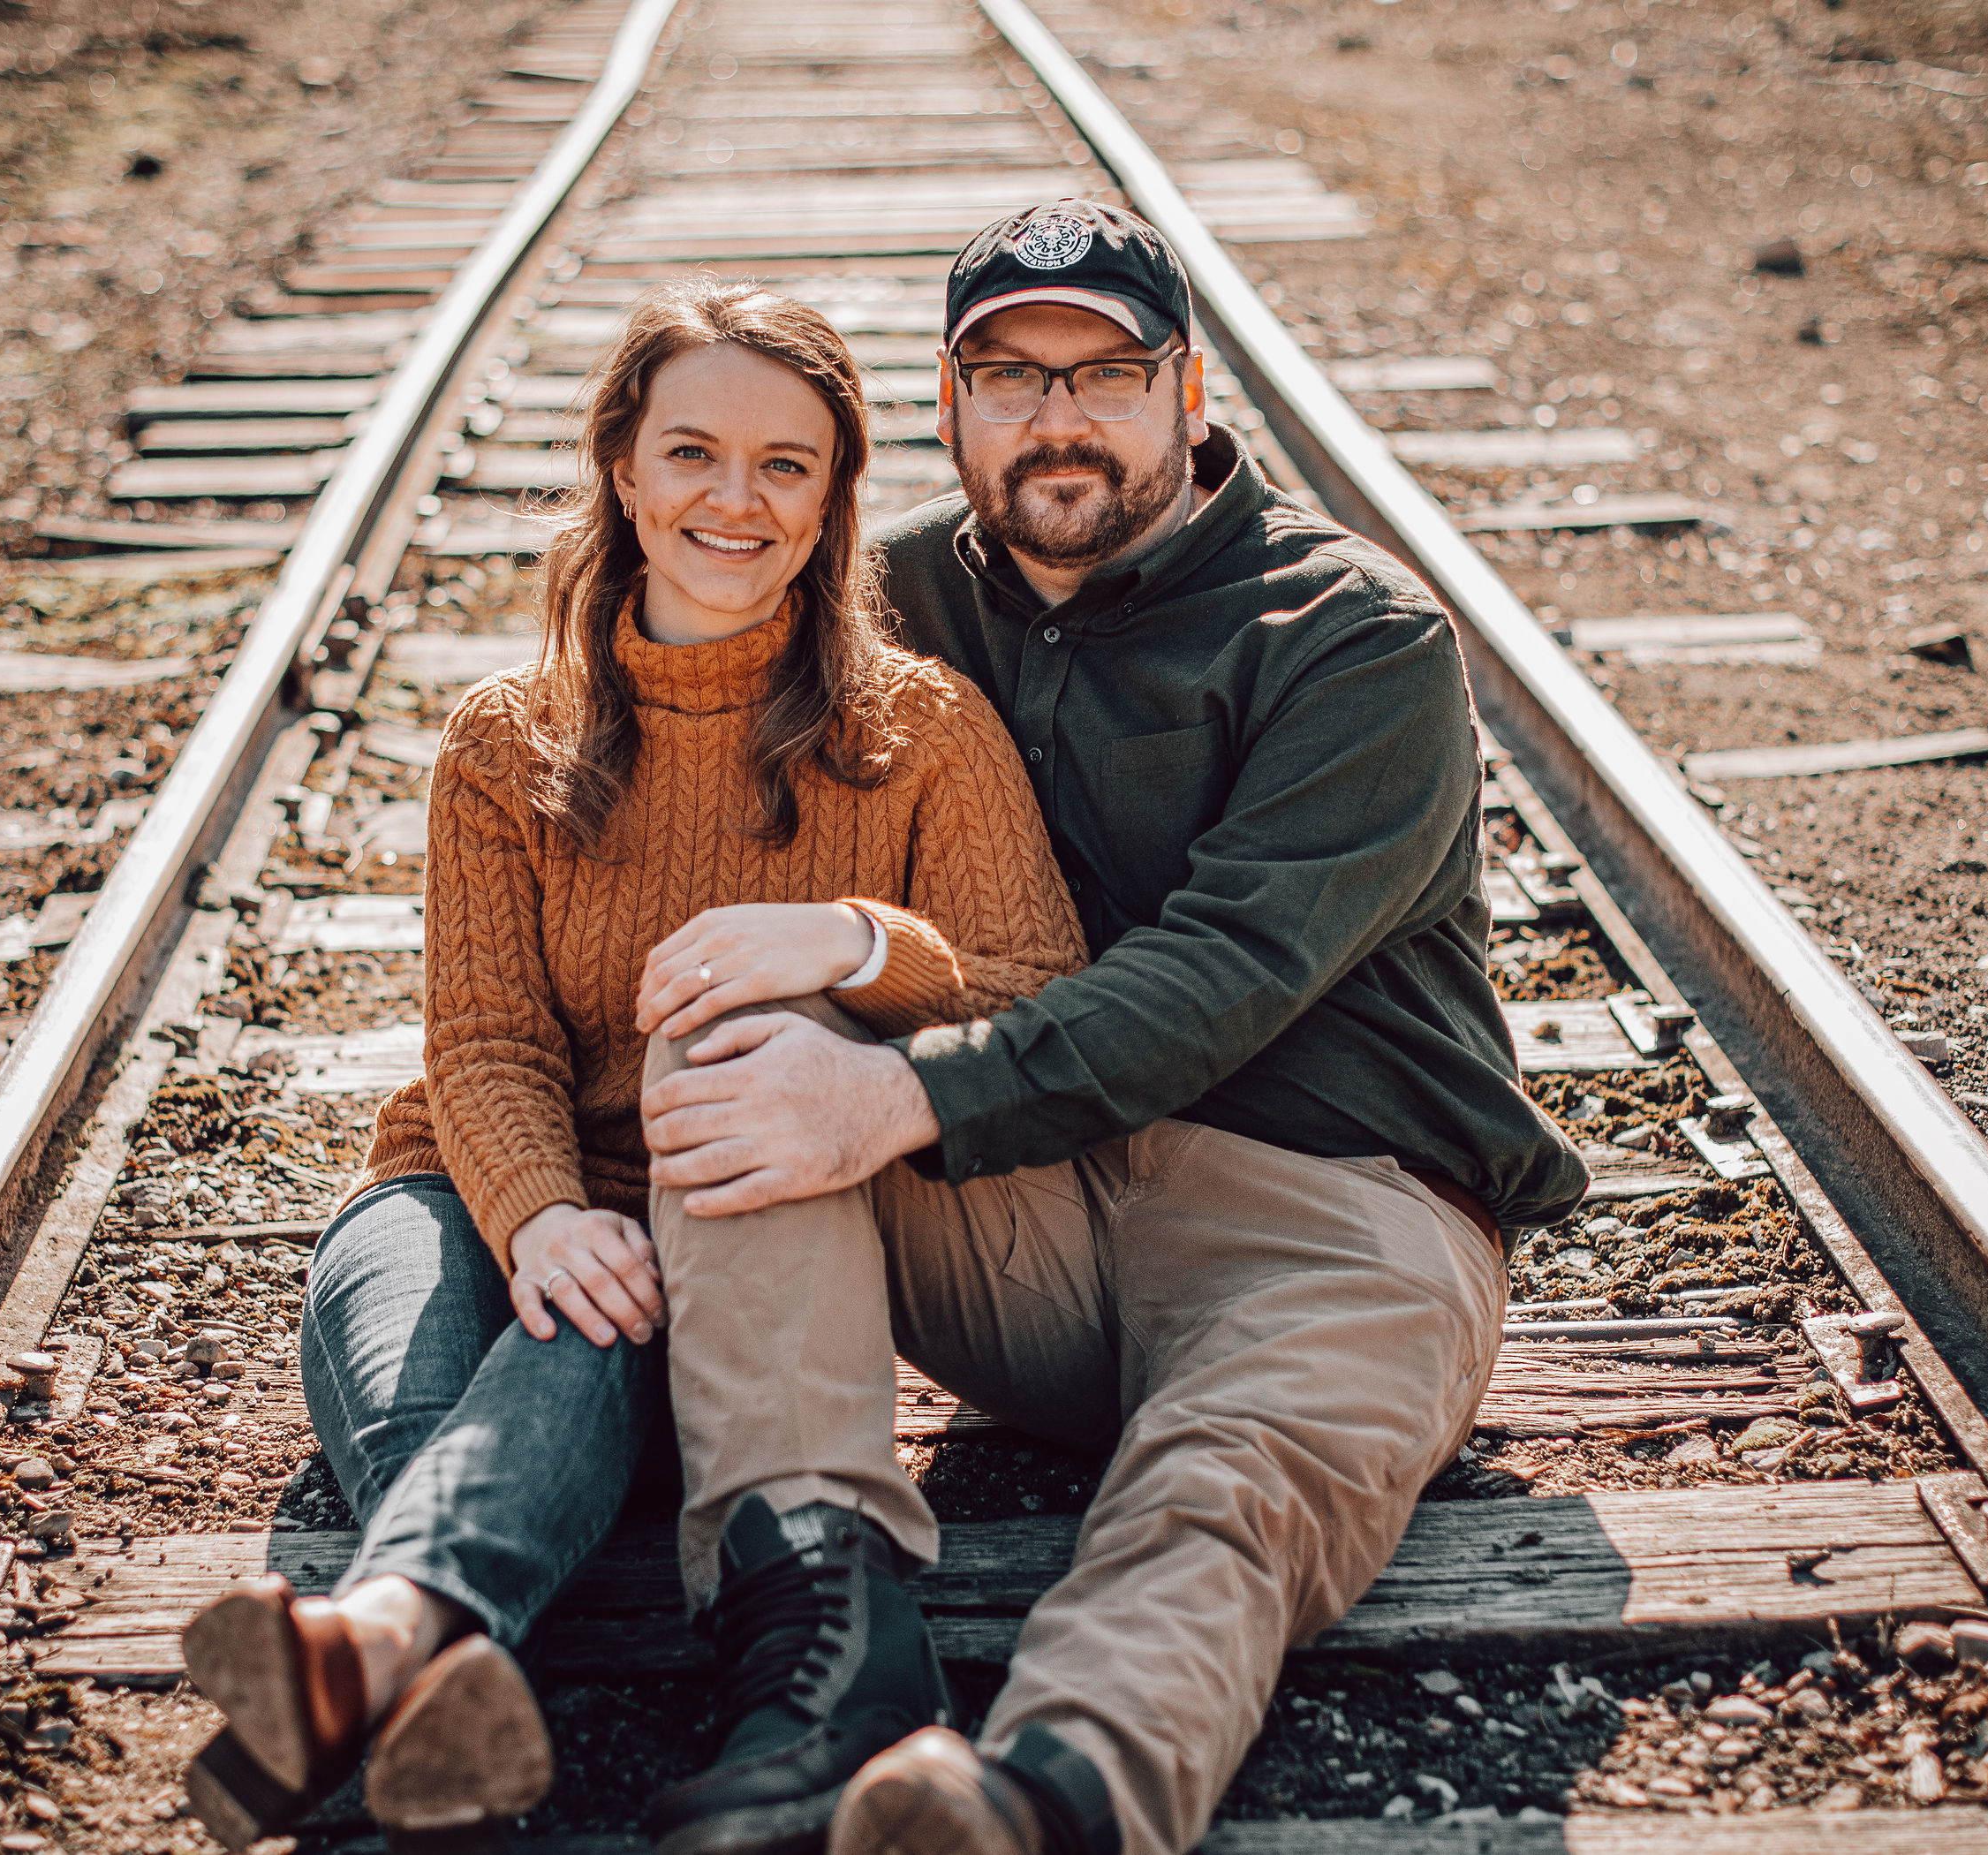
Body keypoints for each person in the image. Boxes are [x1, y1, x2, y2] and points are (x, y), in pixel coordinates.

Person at [631, 201, 1591, 1855]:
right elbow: (662, 773)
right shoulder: (896, 598)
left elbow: (1221, 973)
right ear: (950, 404)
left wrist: (898, 1099)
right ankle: (819, 1659)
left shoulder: (1356, 636)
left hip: (1337, 1212)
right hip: (1036, 1235)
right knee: (738, 1031)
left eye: (1107, 372)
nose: (1057, 416)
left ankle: (1042, 1801)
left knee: (1223, 1490)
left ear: (1190, 393)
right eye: (1011, 375)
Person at [174, 280, 1086, 1850]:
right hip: (459, 1187)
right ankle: (419, 1670)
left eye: (786, 466)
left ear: (836, 498)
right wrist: (535, 1213)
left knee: (587, 1338)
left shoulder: (921, 730)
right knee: (489, 1342)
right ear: (621, 467)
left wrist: (855, 942)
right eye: (692, 454)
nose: (735, 502)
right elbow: (483, 1041)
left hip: (730, 1219)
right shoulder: (505, 737)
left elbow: (1040, 986)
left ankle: (374, 1649)